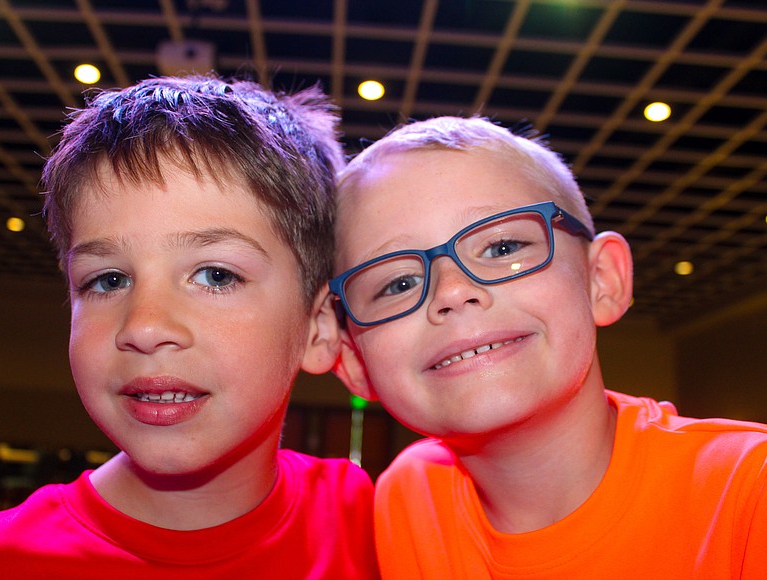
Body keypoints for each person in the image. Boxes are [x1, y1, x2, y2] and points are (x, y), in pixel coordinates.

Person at [0, 75, 379, 579]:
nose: (143, 327)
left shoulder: (379, 529)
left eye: (215, 275)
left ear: (318, 328)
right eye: (109, 280)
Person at [329, 115, 767, 578]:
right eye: (398, 284)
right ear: (354, 362)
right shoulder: (409, 499)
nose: (452, 291)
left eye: (503, 248)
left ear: (602, 280)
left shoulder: (749, 492)